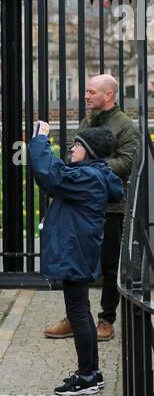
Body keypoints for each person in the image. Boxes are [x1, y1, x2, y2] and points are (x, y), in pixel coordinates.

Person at [28, 122, 123, 395]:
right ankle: (92, 373)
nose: (73, 148)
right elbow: (49, 178)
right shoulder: (86, 174)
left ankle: (88, 376)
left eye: (78, 145)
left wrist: (41, 140)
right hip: (78, 252)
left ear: (90, 151)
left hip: (76, 253)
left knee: (79, 314)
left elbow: (51, 173)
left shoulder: (90, 177)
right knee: (80, 313)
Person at [44, 73, 137, 344]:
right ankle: (76, 318)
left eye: (91, 92)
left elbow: (127, 163)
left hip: (111, 208)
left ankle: (106, 320)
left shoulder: (125, 126)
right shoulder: (87, 121)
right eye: (85, 91)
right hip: (81, 205)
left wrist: (88, 171)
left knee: (110, 266)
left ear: (109, 95)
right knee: (77, 263)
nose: (86, 96)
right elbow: (74, 155)